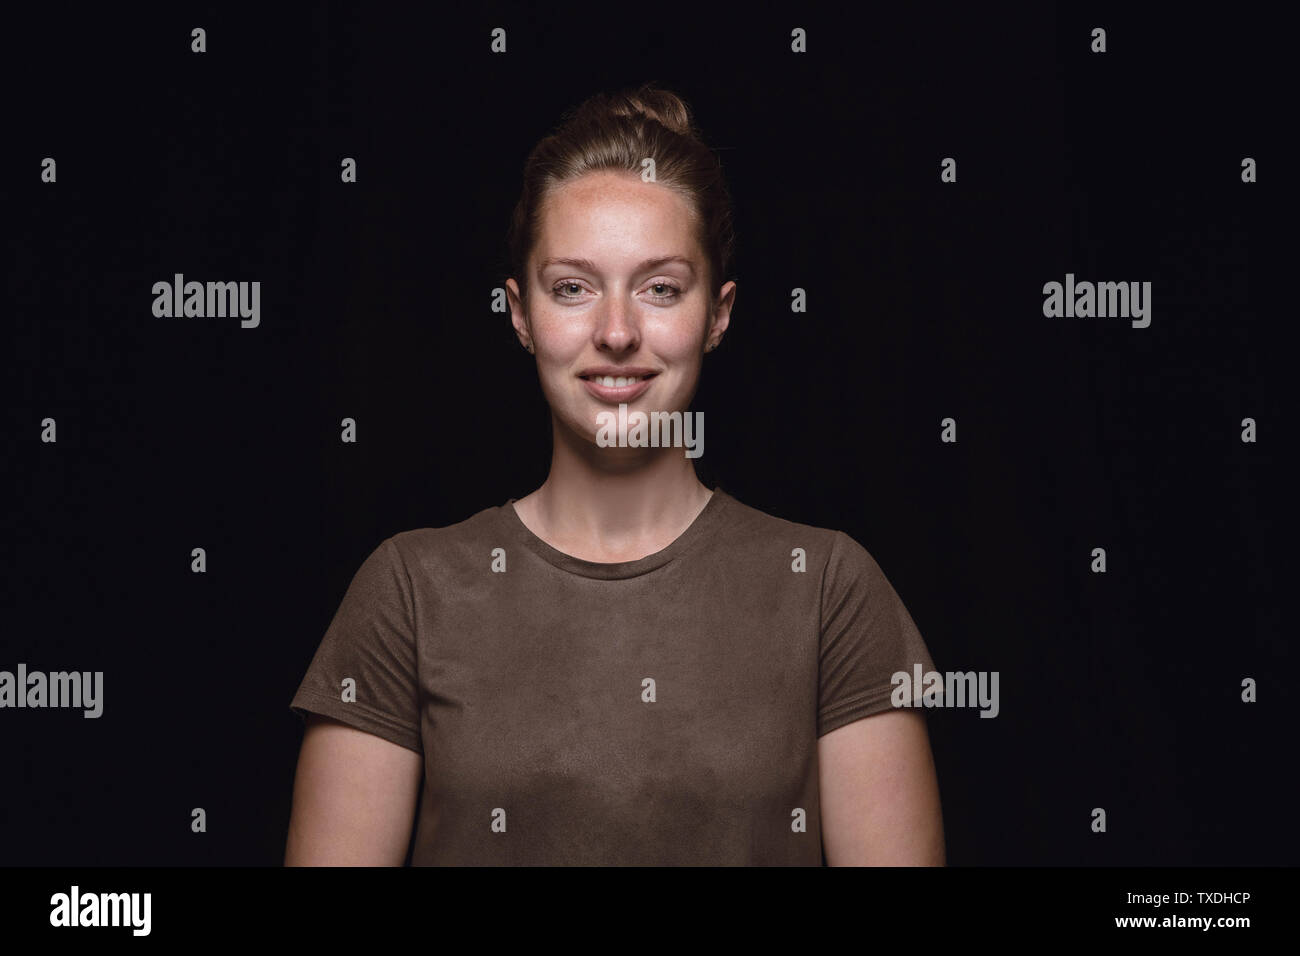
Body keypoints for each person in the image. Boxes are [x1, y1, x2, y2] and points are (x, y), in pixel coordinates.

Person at [285, 83, 944, 866]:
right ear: (520, 313)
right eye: (573, 288)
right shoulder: (409, 591)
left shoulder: (830, 590)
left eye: (660, 288)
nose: (618, 332)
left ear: (719, 313)